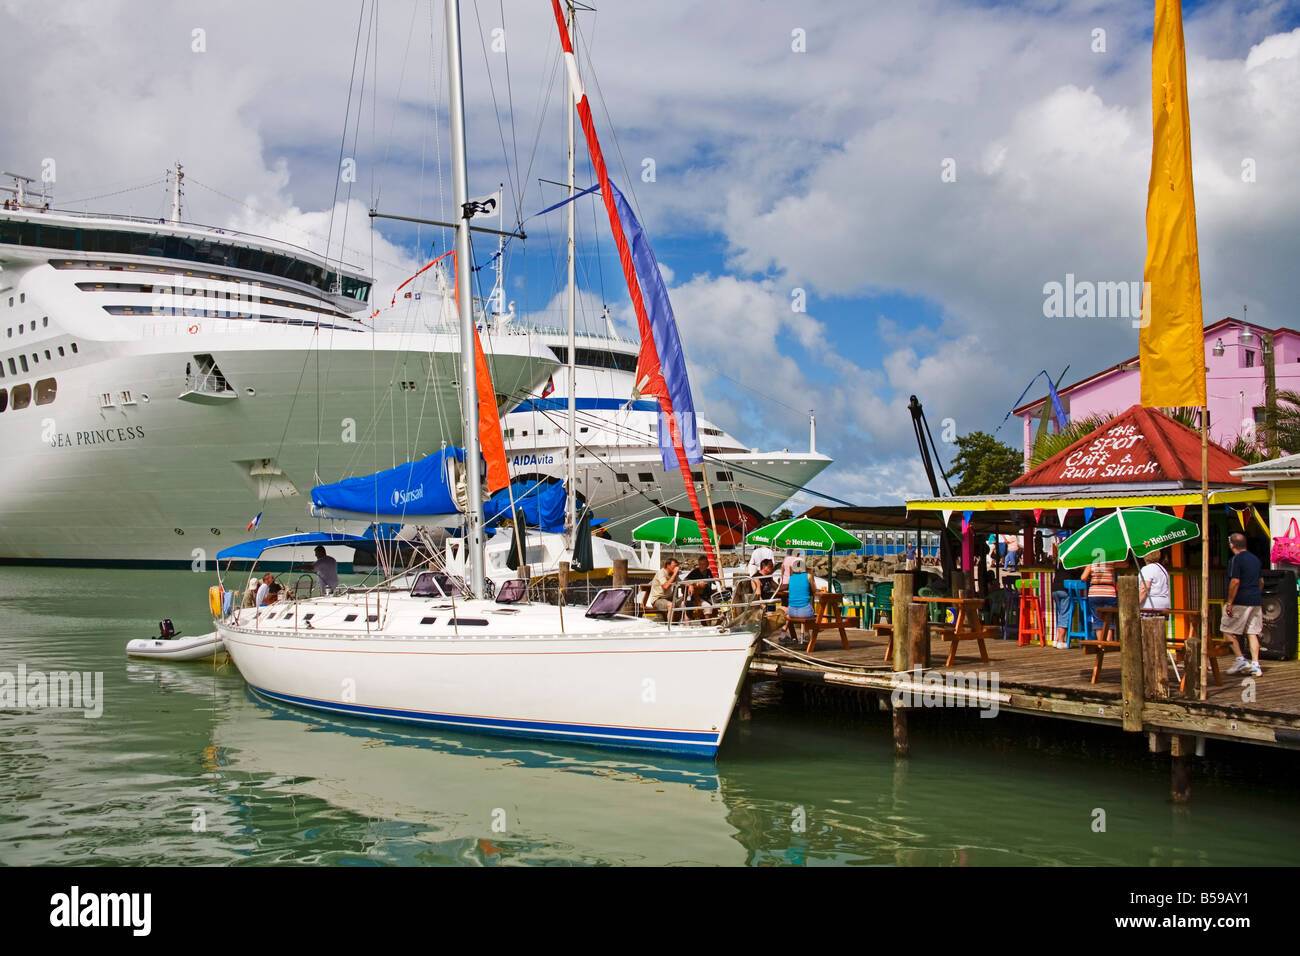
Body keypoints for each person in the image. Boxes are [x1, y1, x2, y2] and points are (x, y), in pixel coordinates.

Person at [1222, 533, 1264, 677]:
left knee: (1227, 629)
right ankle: (1256, 664)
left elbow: (1235, 582)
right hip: (1255, 600)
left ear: (1232, 544)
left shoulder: (1236, 560)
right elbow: (1261, 582)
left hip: (1240, 600)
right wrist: (1256, 594)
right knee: (1252, 632)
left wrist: (1229, 602)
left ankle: (1240, 659)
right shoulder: (1256, 559)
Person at [1049, 538, 1081, 648]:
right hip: (1064, 588)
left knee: (1060, 614)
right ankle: (1061, 640)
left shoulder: (1059, 559)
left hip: (1055, 588)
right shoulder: (1071, 558)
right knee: (1065, 614)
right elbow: (1077, 574)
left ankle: (1057, 638)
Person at [1080, 557, 1121, 639]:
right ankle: (1108, 643)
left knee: (1097, 619)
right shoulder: (1111, 562)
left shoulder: (1091, 563)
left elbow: (1083, 577)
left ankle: (1101, 644)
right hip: (1109, 592)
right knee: (1109, 620)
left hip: (1095, 593)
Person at [783, 556, 819, 645]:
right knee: (811, 609)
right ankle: (806, 633)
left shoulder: (791, 578)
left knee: (800, 607)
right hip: (804, 612)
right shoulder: (808, 576)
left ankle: (784, 633)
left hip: (791, 611)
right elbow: (814, 590)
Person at [684, 554, 717, 619]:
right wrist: (692, 584)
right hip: (698, 596)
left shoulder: (709, 572)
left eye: (703, 564)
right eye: (700, 564)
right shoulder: (695, 572)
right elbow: (685, 580)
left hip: (709, 595)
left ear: (707, 564)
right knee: (707, 607)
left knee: (722, 603)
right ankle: (708, 624)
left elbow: (716, 582)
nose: (701, 566)